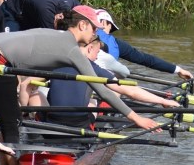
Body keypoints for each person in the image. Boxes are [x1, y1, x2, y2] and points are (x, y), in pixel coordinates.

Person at [0, 6, 160, 165]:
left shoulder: (58, 35)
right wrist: (137, 118)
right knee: (11, 125)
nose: (96, 34)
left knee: (9, 124)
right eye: (94, 29)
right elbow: (102, 90)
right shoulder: (71, 49)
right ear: (82, 25)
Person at [46, 35, 179, 128]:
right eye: (97, 52)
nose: (97, 56)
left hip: (50, 121)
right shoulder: (92, 68)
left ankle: (32, 129)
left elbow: (25, 84)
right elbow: (130, 91)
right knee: (92, 101)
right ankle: (96, 127)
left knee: (36, 92)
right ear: (89, 48)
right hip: (78, 124)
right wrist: (163, 101)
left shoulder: (55, 62)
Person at [95, 8, 194, 80]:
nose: (110, 32)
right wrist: (178, 70)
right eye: (110, 28)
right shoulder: (115, 43)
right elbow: (146, 60)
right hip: (104, 83)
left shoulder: (82, 35)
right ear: (104, 23)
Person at [1, 0, 79, 32]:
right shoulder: (46, 12)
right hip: (13, 9)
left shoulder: (73, 4)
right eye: (56, 27)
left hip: (32, 15)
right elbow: (49, 41)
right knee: (8, 41)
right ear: (60, 16)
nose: (55, 29)